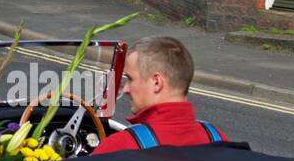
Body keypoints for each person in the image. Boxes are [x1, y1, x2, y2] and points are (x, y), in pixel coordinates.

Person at [93, 36, 226, 154]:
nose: (126, 89)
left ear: (157, 82)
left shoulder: (119, 147)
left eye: (130, 79)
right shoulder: (217, 139)